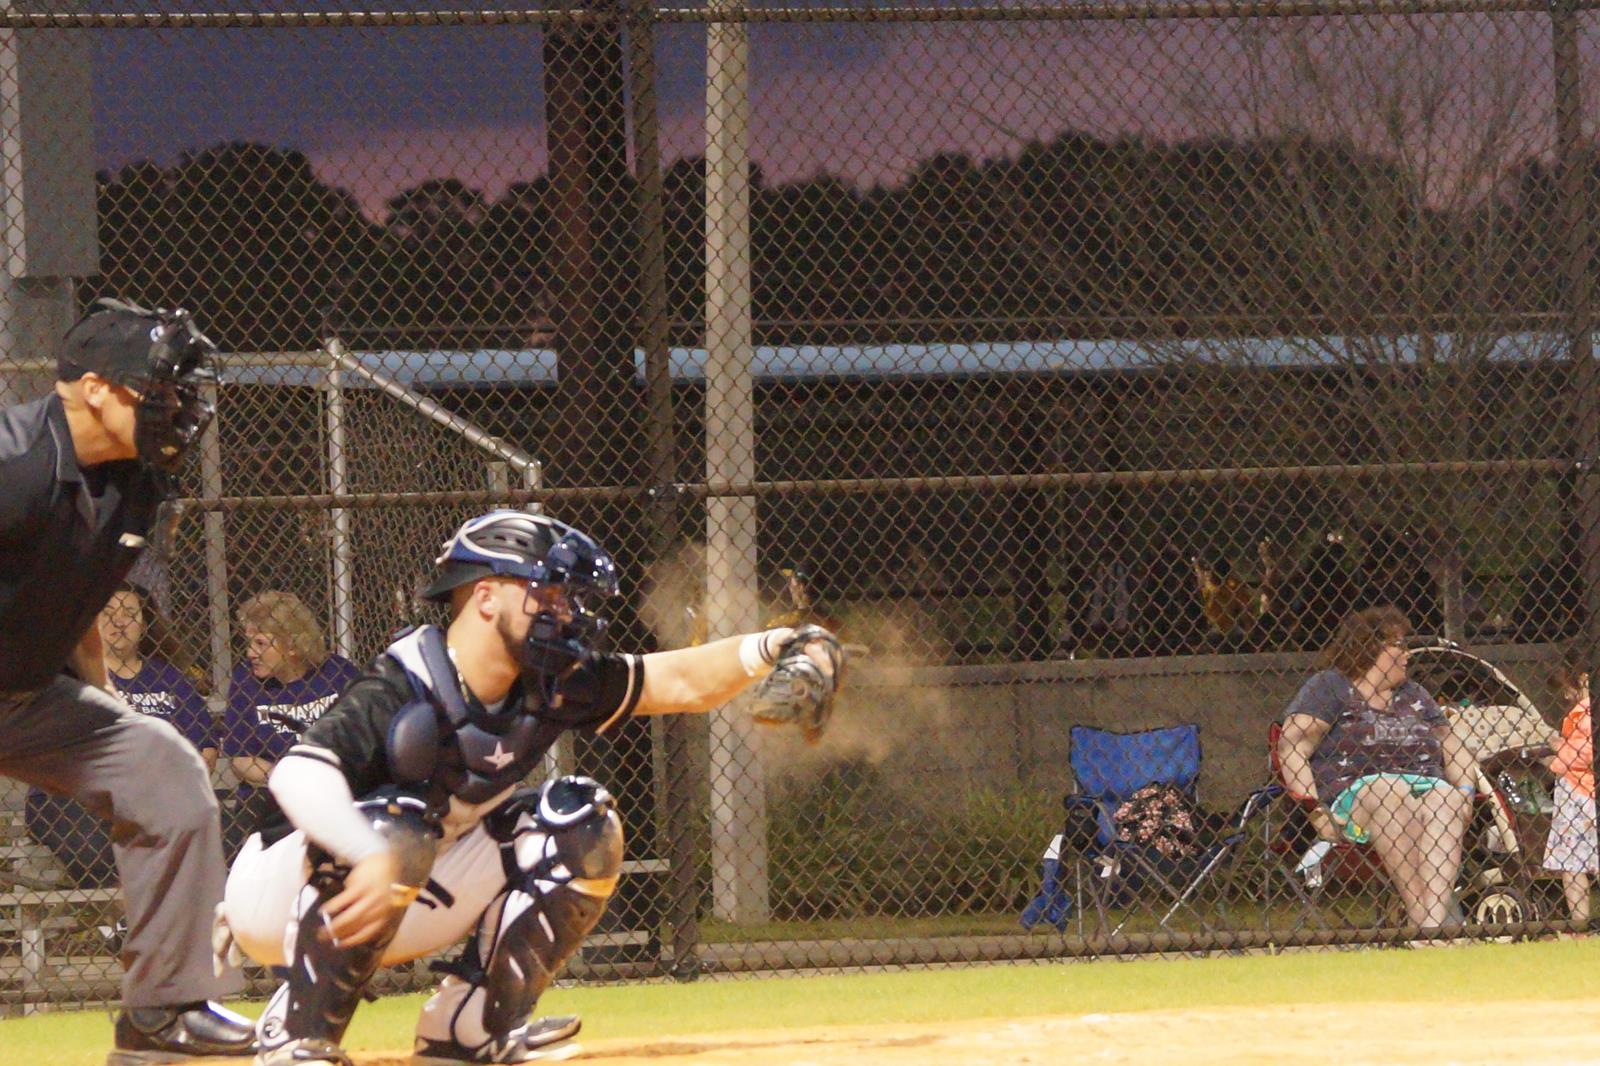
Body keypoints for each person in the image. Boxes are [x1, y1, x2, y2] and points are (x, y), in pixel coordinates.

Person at [217, 509, 842, 1066]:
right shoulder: (404, 682)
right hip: (281, 894)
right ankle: (297, 1037)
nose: (563, 611)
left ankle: (468, 1028)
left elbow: (679, 681)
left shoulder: (548, 681)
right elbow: (297, 773)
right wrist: (369, 849)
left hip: (406, 882)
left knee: (581, 822)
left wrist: (781, 644)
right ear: (486, 597)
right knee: (397, 828)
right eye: (546, 593)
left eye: (565, 597)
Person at [0, 298, 255, 1060]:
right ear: (91, 388)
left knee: (163, 768)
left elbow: (75, 595)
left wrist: (106, 707)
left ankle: (165, 1013)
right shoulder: (15, 463)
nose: (175, 406)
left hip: (24, 695)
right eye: (158, 388)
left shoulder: (139, 484)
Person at [1276, 605, 1478, 929]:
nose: (1408, 654)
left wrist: (1465, 792)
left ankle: (1430, 925)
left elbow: (1454, 748)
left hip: (1425, 791)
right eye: (1399, 644)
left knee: (1447, 799)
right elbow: (1292, 747)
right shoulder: (1330, 686)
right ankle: (1426, 922)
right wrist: (1315, 811)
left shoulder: (1414, 694)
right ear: (1369, 647)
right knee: (1387, 789)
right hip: (1356, 799)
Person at [25, 583, 217, 888]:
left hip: (157, 796)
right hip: (73, 799)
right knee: (97, 852)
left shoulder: (170, 679)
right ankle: (121, 912)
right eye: (108, 612)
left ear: (144, 623)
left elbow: (205, 748)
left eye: (129, 613)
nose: (118, 621)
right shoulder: (70, 676)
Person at [220, 590, 360, 856]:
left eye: (261, 644)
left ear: (292, 646)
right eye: (249, 642)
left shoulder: (338, 674)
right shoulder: (245, 681)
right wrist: (291, 779)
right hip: (272, 798)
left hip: (335, 789)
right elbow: (241, 759)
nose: (250, 653)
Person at [1543, 646, 1596, 927]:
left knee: (1572, 864)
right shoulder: (1580, 713)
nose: (1565, 696)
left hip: (1579, 794)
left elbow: (1586, 754)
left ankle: (1579, 922)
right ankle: (1580, 923)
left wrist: (1557, 752)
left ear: (1584, 679)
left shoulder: (1585, 713)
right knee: (1574, 865)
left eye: (1568, 688)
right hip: (1578, 792)